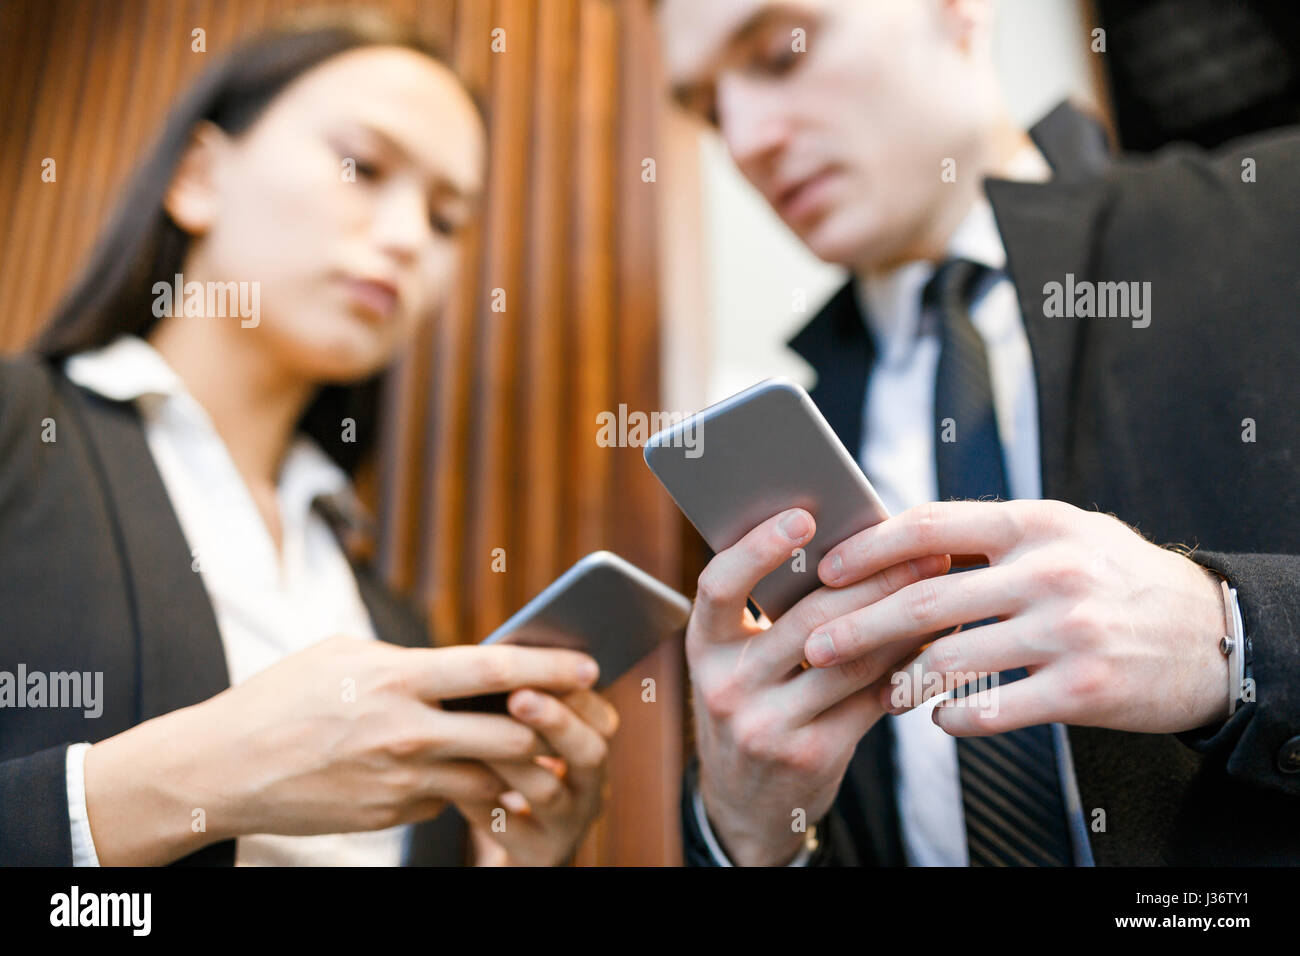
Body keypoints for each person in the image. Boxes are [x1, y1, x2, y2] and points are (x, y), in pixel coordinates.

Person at [656, 0, 1300, 865]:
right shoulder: (780, 479)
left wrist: (1237, 637)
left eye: (781, 53)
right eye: (706, 108)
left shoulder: (1274, 218)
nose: (744, 139)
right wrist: (743, 831)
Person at [0, 12, 618, 867]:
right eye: (362, 166)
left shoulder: (392, 620)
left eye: (445, 220)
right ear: (198, 175)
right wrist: (202, 778)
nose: (406, 239)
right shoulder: (17, 431)